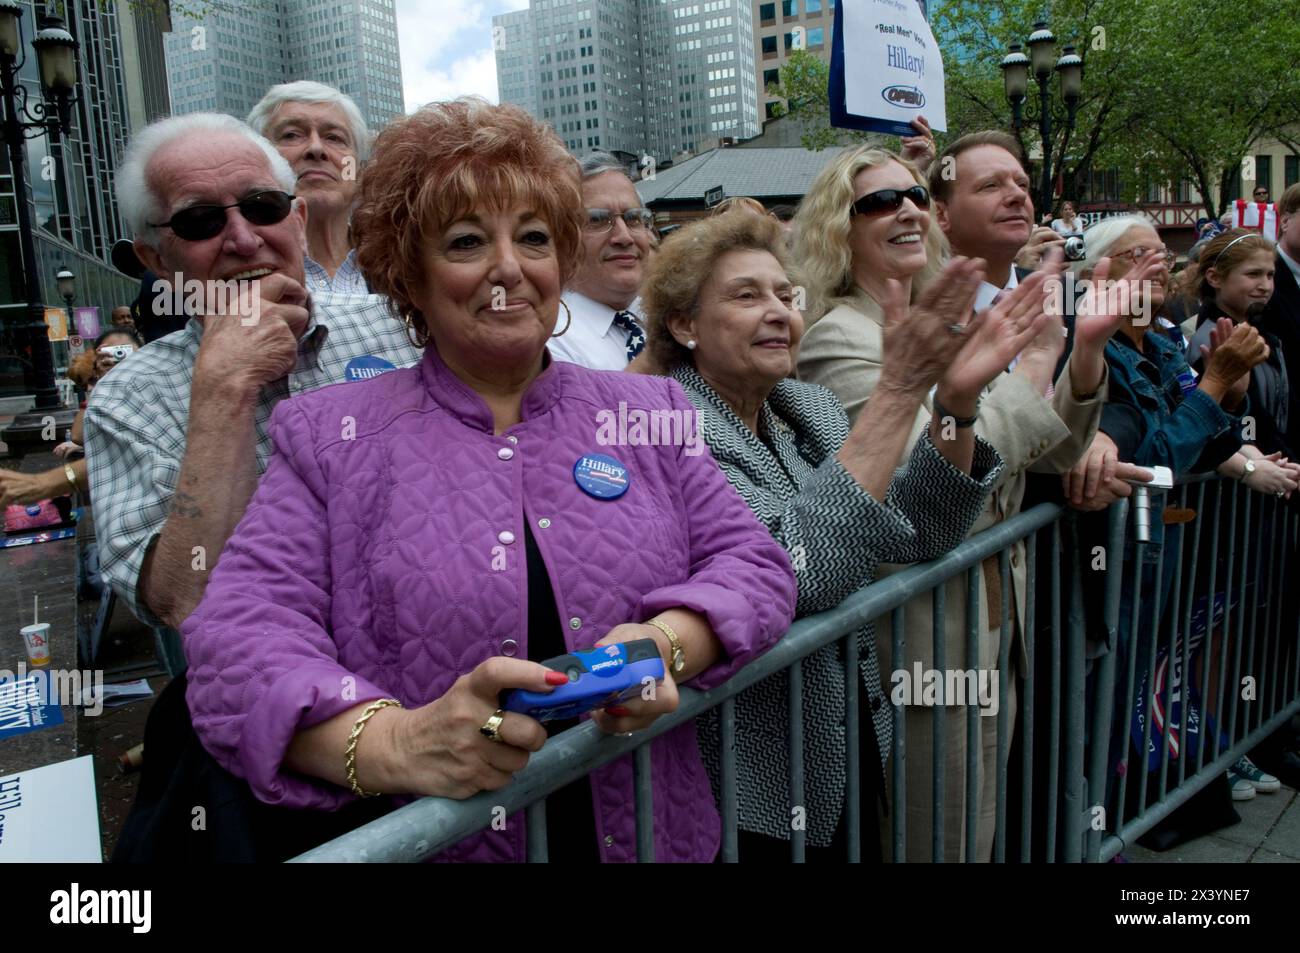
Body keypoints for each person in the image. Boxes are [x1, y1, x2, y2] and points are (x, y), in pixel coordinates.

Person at [178, 99, 797, 863]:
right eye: (467, 240)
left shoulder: (649, 408)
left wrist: (665, 643)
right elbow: (235, 648)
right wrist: (397, 742)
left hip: (656, 834)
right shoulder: (329, 437)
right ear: (410, 273)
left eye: (533, 236)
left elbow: (755, 565)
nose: (509, 267)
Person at [638, 208, 1056, 860]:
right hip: (753, 779)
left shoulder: (808, 409)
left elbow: (921, 529)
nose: (778, 311)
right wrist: (898, 387)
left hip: (846, 733)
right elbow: (795, 571)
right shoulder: (669, 427)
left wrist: (955, 405)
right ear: (683, 324)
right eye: (746, 296)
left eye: (785, 294)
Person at [794, 140, 1114, 861]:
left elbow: (1043, 454)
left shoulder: (960, 320)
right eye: (878, 200)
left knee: (981, 820)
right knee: (935, 829)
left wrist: (1082, 354)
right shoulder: (835, 338)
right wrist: (1031, 365)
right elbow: (929, 490)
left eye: (913, 193)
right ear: (837, 227)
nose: (905, 208)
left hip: (995, 614)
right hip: (921, 631)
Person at [83, 113, 419, 677]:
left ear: (299, 218)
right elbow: (181, 598)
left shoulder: (400, 325)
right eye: (199, 222)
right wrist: (222, 389)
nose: (243, 239)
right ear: (156, 261)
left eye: (264, 207)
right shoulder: (127, 400)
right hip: (279, 716)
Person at [247, 81, 370, 293]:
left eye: (334, 137)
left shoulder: (403, 271)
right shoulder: (232, 276)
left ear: (358, 171)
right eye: (291, 135)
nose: (316, 148)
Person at [0, 328, 142, 508]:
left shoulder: (160, 386)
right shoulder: (101, 389)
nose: (118, 358)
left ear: (143, 352)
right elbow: (78, 436)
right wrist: (103, 382)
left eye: (123, 351)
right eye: (111, 353)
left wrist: (44, 483)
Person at [546, 152, 651, 370]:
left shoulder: (672, 316)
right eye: (597, 219)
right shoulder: (548, 338)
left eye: (633, 218)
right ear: (562, 238)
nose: (624, 237)